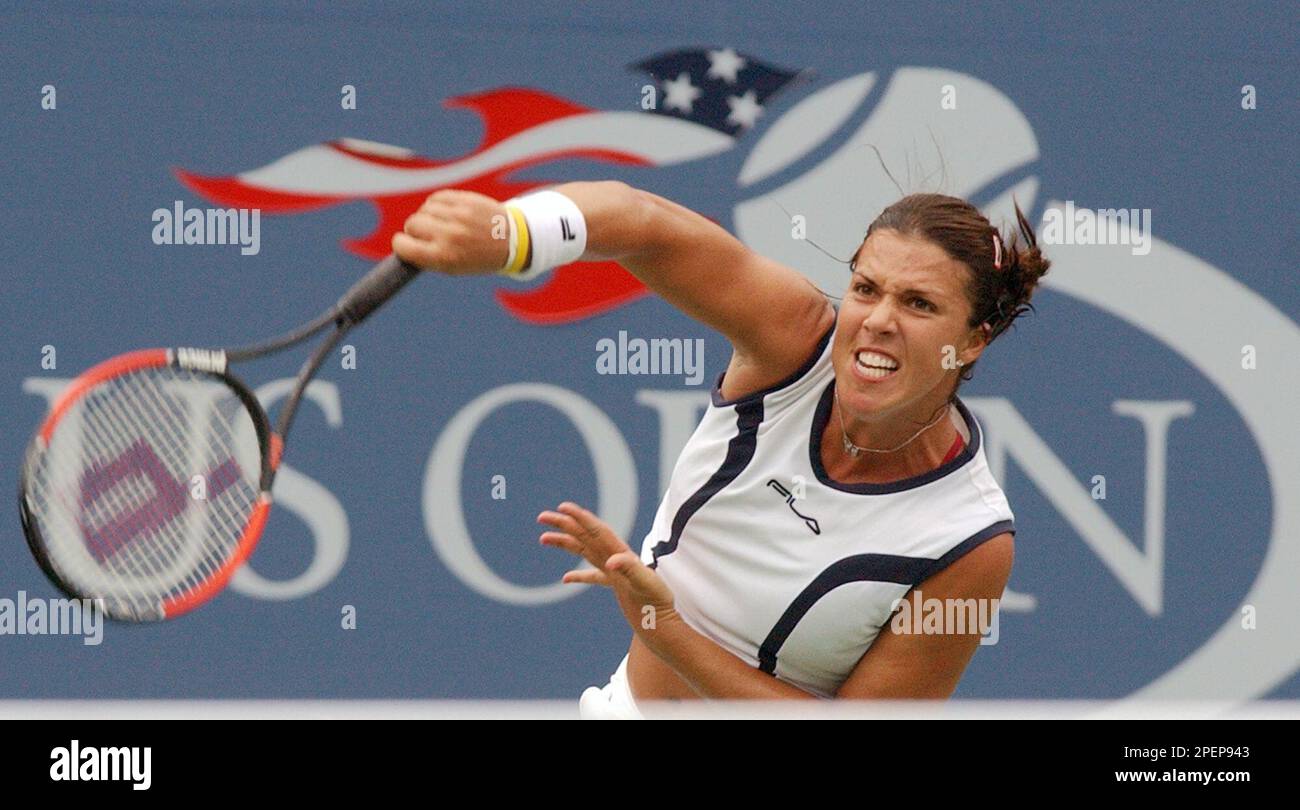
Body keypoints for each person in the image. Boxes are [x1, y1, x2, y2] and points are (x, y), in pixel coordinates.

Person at [392, 182, 1050, 717]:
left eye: (918, 304)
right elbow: (645, 222)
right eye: (865, 288)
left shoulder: (969, 538)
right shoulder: (794, 340)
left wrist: (666, 630)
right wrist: (518, 234)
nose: (878, 320)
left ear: (974, 340)